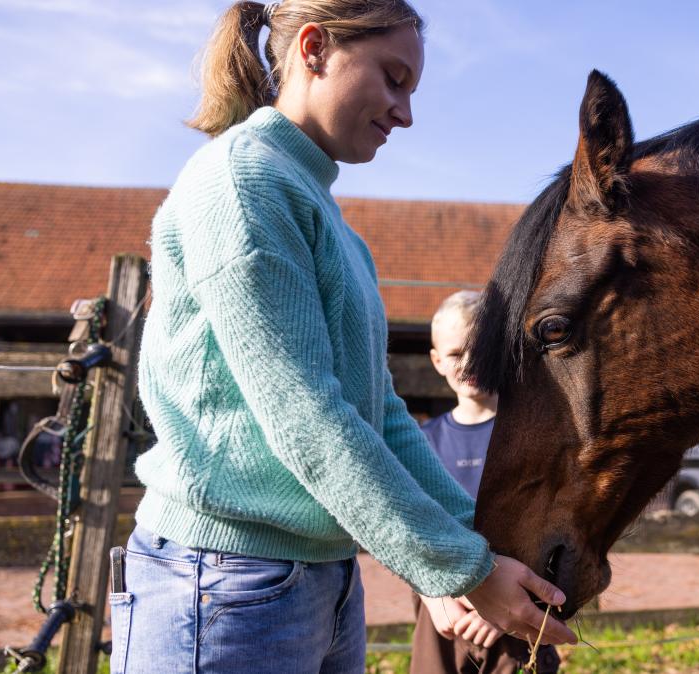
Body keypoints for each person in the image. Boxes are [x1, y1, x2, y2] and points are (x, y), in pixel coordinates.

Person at [109, 2, 575, 672]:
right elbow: (306, 419)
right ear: (314, 48)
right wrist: (465, 570)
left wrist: (475, 544)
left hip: (324, 581)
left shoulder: (329, 217)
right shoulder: (243, 185)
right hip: (227, 583)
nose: (404, 112)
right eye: (392, 78)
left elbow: (379, 415)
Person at [410, 291, 562, 674]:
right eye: (456, 353)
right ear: (437, 360)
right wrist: (433, 597)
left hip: (515, 624)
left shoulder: (535, 437)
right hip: (442, 619)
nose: (469, 362)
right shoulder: (419, 444)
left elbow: (553, 529)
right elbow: (408, 529)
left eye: (480, 349)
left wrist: (499, 610)